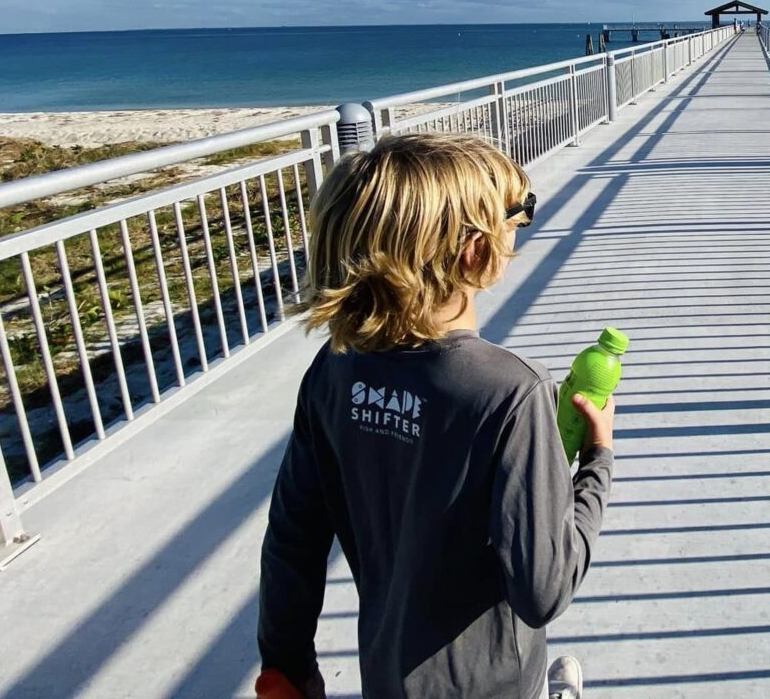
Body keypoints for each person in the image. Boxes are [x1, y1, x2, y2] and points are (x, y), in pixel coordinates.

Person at [256, 133, 614, 699]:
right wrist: (596, 464)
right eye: (515, 218)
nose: (518, 229)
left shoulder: (335, 366)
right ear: (475, 250)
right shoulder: (511, 392)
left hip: (388, 675)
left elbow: (292, 540)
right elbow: (543, 589)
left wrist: (286, 667)